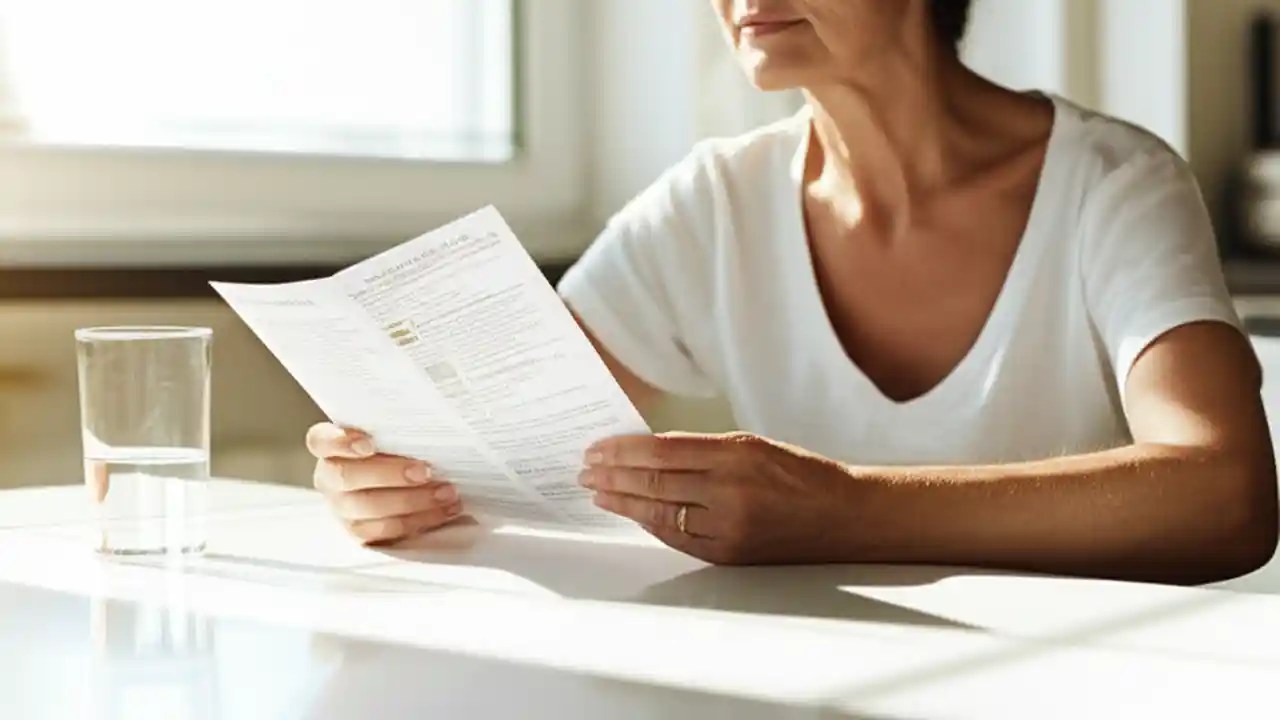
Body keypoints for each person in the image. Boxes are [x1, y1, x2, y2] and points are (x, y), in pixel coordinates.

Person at [305, 0, 1279, 584]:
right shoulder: (714, 200)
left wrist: (846, 507)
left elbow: (1224, 496)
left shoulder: (1115, 183)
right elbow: (500, 443)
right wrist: (395, 480)